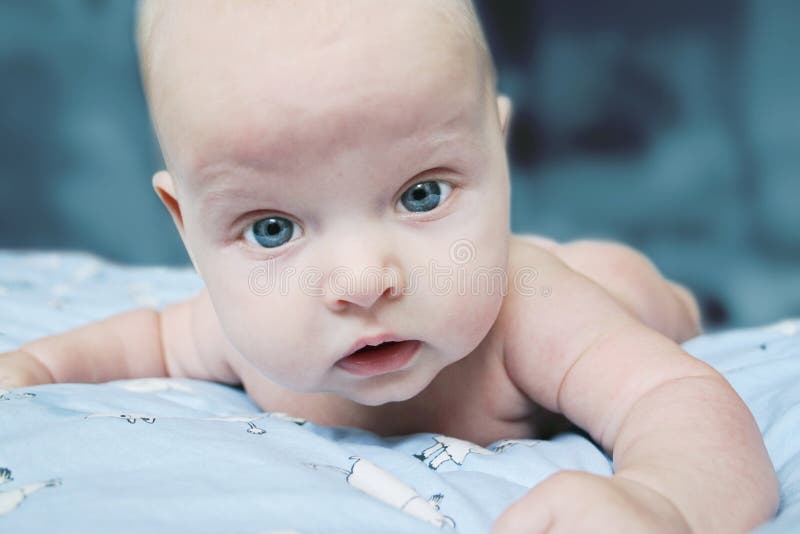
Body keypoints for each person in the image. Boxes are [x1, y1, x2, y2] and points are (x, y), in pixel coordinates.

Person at [0, 1, 778, 531]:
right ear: (187, 224)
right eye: (272, 229)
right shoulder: (245, 332)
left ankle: (679, 294)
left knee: (633, 292)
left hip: (572, 282)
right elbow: (147, 338)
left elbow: (676, 398)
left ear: (496, 151)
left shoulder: (532, 314)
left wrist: (661, 502)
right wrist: (34, 365)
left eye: (421, 194)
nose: (362, 282)